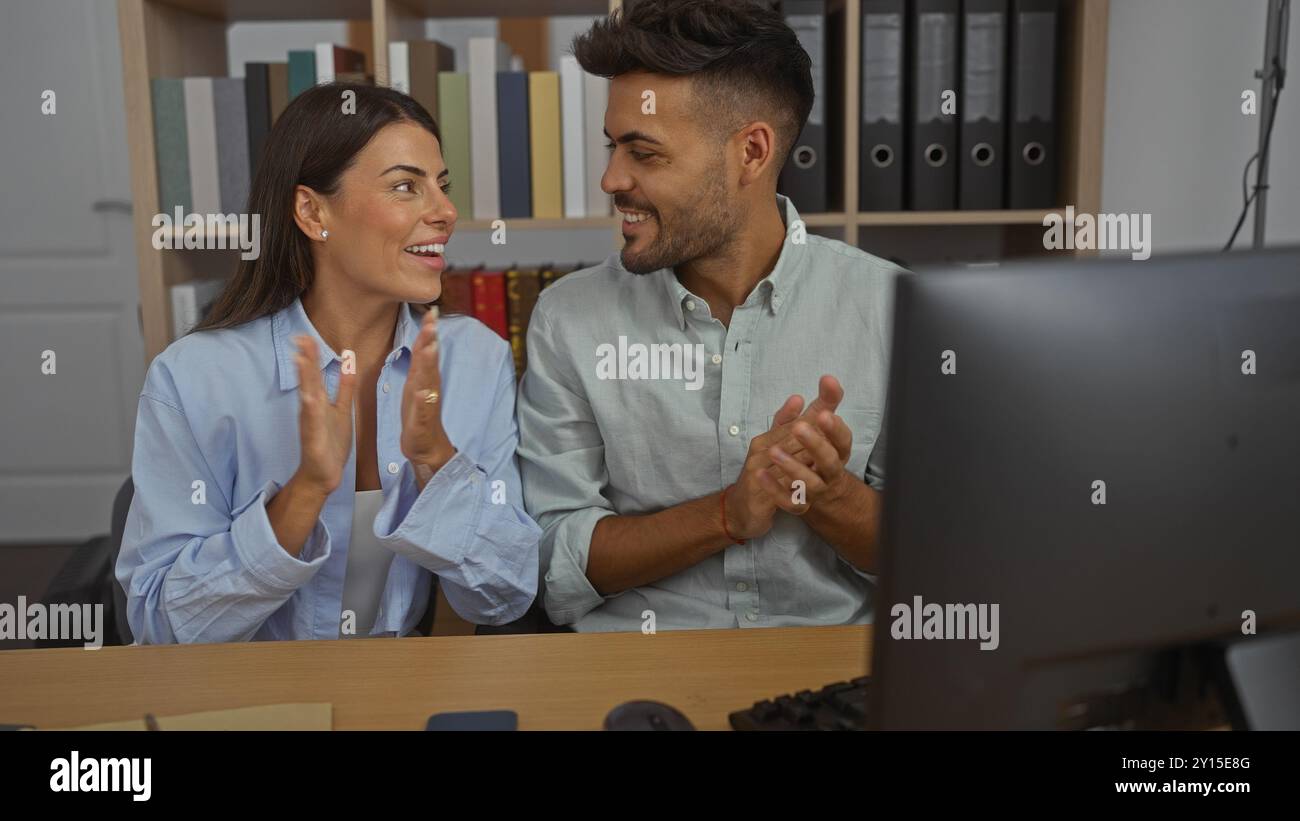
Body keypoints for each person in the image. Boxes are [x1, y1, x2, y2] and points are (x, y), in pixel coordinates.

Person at [517, 0, 905, 632]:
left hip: (825, 685)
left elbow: (926, 567)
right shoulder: (569, 318)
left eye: (643, 153)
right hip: (632, 675)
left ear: (751, 152)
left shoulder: (890, 308)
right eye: (613, 148)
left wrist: (833, 496)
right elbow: (554, 560)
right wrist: (727, 513)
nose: (611, 179)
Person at [117, 83, 540, 643]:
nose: (445, 212)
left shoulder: (472, 360)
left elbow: (505, 595)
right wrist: (306, 491)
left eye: (442, 186)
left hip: (398, 696)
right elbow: (160, 627)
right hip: (249, 701)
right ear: (313, 210)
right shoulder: (195, 378)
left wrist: (435, 460)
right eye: (405, 187)